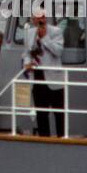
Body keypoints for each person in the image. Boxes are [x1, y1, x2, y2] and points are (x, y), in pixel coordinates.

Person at [23, 8, 65, 136]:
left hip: (54, 77)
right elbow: (26, 53)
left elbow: (58, 51)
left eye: (43, 17)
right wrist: (27, 62)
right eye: (38, 18)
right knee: (41, 112)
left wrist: (45, 38)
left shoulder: (56, 31)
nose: (41, 20)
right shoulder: (29, 33)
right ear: (33, 20)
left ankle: (61, 137)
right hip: (37, 75)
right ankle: (44, 137)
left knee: (59, 112)